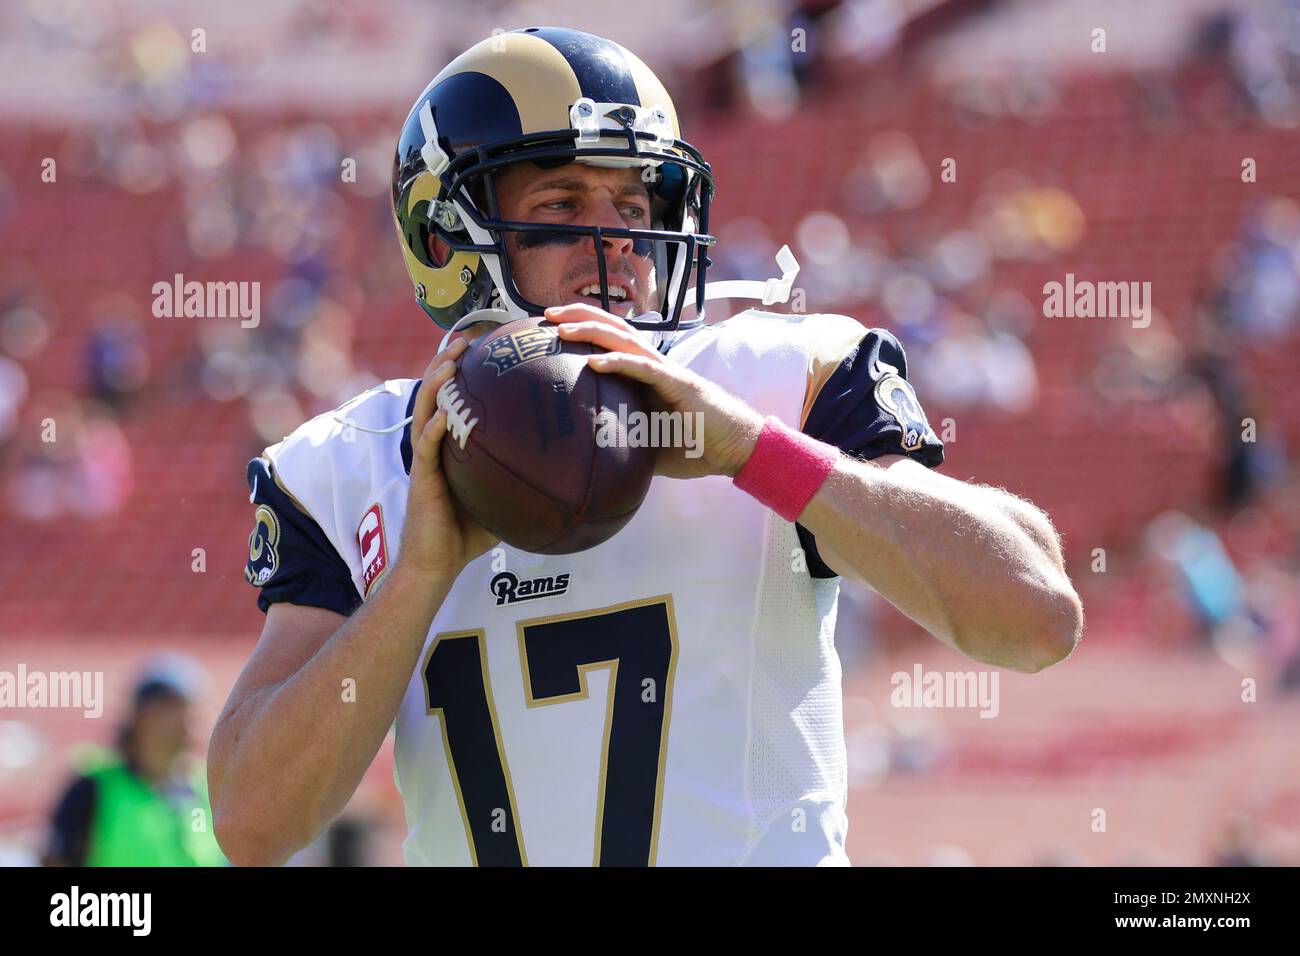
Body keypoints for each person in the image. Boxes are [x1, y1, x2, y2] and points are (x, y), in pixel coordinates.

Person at [209, 27, 1082, 867]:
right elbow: (252, 825)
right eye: (562, 202)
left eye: (636, 201)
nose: (621, 238)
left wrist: (754, 453)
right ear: (444, 238)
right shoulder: (348, 464)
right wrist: (417, 582)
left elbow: (1036, 617)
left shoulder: (775, 381)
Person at [45, 656, 226, 867]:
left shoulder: (207, 789)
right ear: (141, 717)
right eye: (172, 710)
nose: (187, 722)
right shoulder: (95, 788)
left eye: (192, 711)